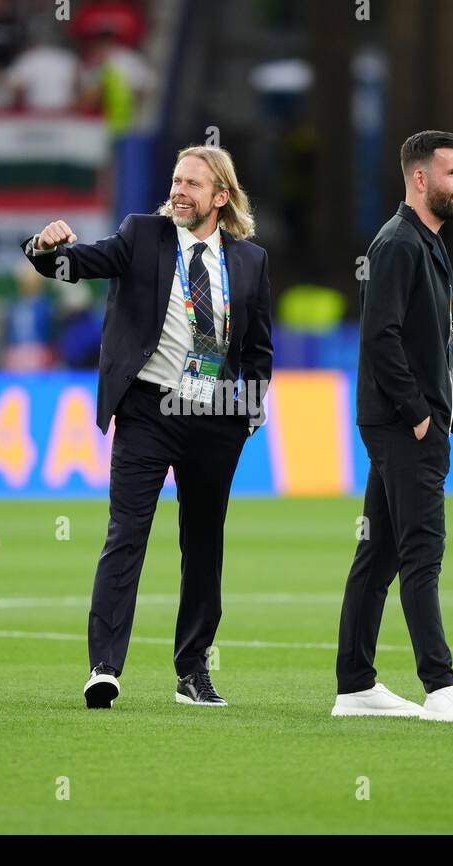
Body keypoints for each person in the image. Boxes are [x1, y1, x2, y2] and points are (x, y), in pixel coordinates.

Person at [23, 145, 273, 709]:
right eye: (177, 179)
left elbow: (258, 349)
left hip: (215, 419)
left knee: (204, 546)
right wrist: (44, 250)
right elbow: (77, 264)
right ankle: (104, 668)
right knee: (126, 533)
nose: (180, 190)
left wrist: (248, 415)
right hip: (148, 411)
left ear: (221, 197)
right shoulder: (142, 235)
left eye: (193, 184)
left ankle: (193, 673)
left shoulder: (251, 261)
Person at [333, 130, 453, 724]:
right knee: (424, 552)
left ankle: (355, 685)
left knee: (378, 556)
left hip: (409, 423)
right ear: (419, 178)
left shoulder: (427, 241)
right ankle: (440, 685)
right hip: (405, 426)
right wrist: (420, 413)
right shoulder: (398, 244)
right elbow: (380, 336)